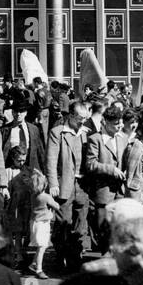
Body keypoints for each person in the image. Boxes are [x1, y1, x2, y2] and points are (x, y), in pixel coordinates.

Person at [46, 100, 90, 272]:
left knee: (81, 222)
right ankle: (60, 254)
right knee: (63, 221)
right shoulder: (58, 132)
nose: (82, 122)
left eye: (85, 118)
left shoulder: (87, 132)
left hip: (82, 184)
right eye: (80, 118)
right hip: (64, 183)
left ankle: (75, 255)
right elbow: (51, 159)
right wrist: (53, 183)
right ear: (71, 115)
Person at [82, 103, 129, 248]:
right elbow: (90, 164)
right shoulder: (96, 139)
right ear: (106, 123)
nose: (120, 126)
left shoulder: (123, 138)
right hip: (103, 193)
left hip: (120, 192)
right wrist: (111, 170)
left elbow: (126, 159)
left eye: (121, 123)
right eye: (116, 124)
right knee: (104, 230)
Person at [6, 152, 59, 278]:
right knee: (25, 236)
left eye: (24, 160)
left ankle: (29, 261)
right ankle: (34, 265)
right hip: (17, 205)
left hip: (27, 208)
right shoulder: (44, 196)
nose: (22, 163)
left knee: (31, 237)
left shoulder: (32, 188)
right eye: (19, 160)